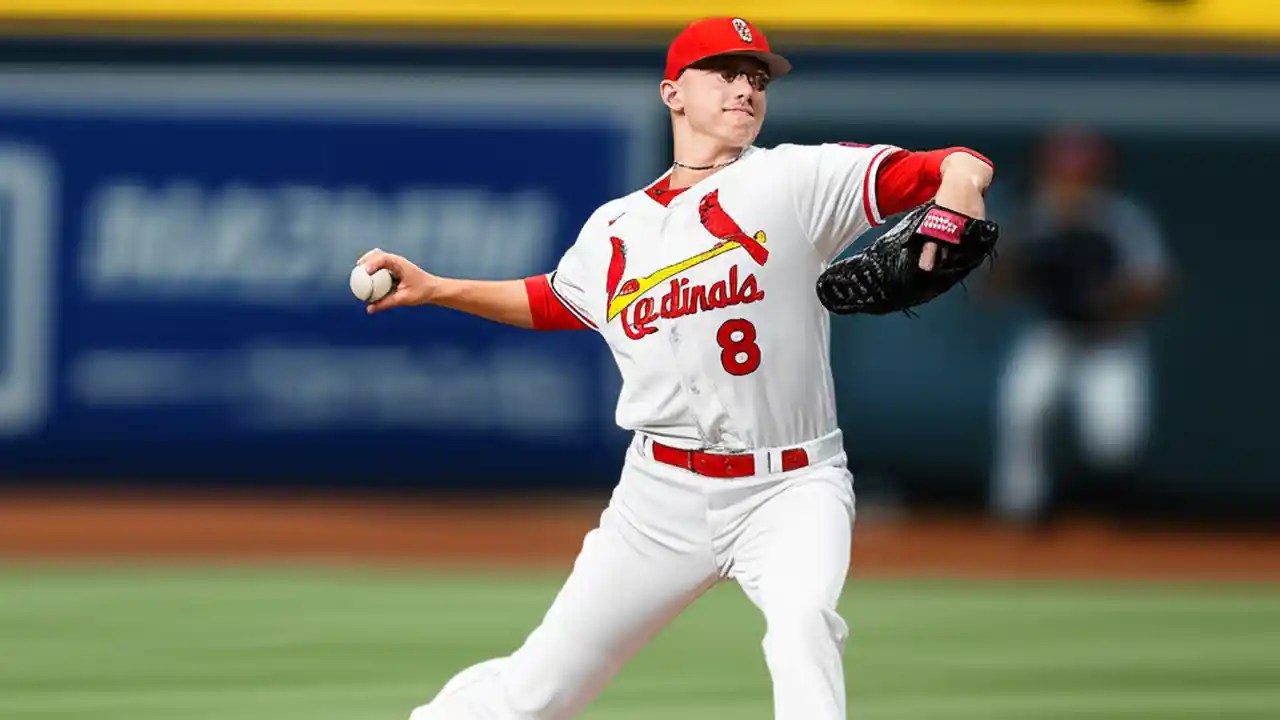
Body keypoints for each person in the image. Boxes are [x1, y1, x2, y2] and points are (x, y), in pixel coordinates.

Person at [358, 17, 994, 720]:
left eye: (756, 78)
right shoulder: (616, 227)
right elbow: (556, 300)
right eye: (724, 72)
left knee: (803, 626)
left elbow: (948, 164)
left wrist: (961, 183)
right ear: (673, 93)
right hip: (660, 498)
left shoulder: (795, 178)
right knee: (541, 691)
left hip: (792, 486)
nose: (745, 89)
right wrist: (440, 287)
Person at [988, 126, 1173, 524]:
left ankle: (1106, 515)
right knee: (1023, 409)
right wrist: (1019, 247)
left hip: (1109, 338)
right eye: (1062, 172)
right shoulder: (1031, 217)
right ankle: (1019, 515)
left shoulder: (1121, 220)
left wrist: (1112, 297)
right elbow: (995, 287)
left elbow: (1155, 283)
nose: (1071, 182)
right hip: (1052, 333)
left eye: (1081, 173)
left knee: (1114, 441)